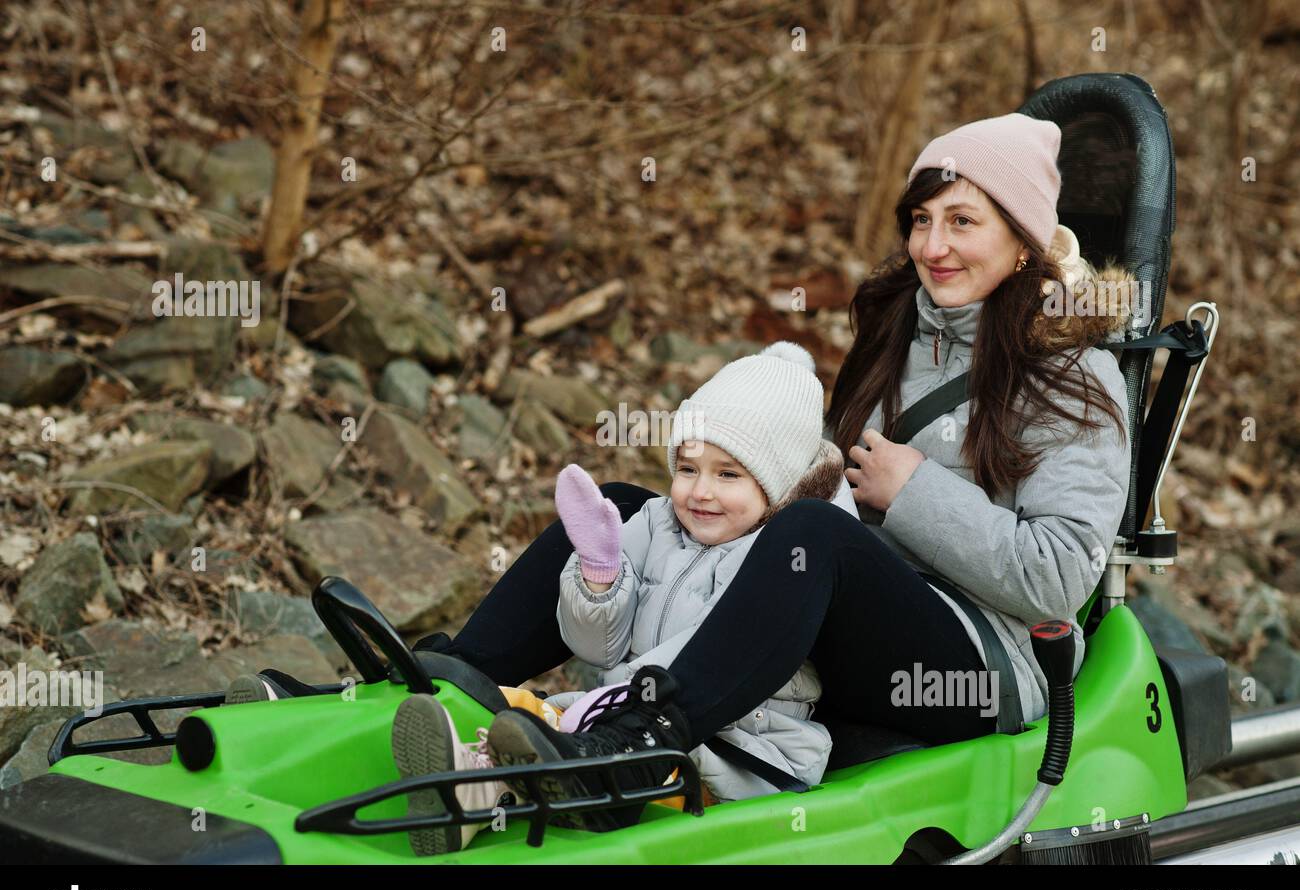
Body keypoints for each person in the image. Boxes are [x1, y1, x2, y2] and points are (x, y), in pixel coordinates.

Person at [230, 111, 1135, 850]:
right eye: (922, 218)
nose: (932, 245)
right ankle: (445, 679)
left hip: (978, 670)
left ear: (1022, 239)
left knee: (814, 537)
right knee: (633, 511)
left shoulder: (1073, 377)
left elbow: (1063, 575)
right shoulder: (903, 331)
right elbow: (827, 475)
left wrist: (915, 494)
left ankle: (634, 748)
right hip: (852, 611)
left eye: (963, 222)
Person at [386, 340, 854, 851]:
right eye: (688, 468)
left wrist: (604, 705)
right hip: (621, 713)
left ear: (780, 484)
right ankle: (469, 784)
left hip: (734, 752)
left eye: (728, 475)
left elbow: (712, 657)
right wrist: (600, 577)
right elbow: (599, 648)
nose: (700, 491)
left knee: (559, 728)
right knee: (514, 708)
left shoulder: (781, 561)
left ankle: (488, 787)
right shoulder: (657, 524)